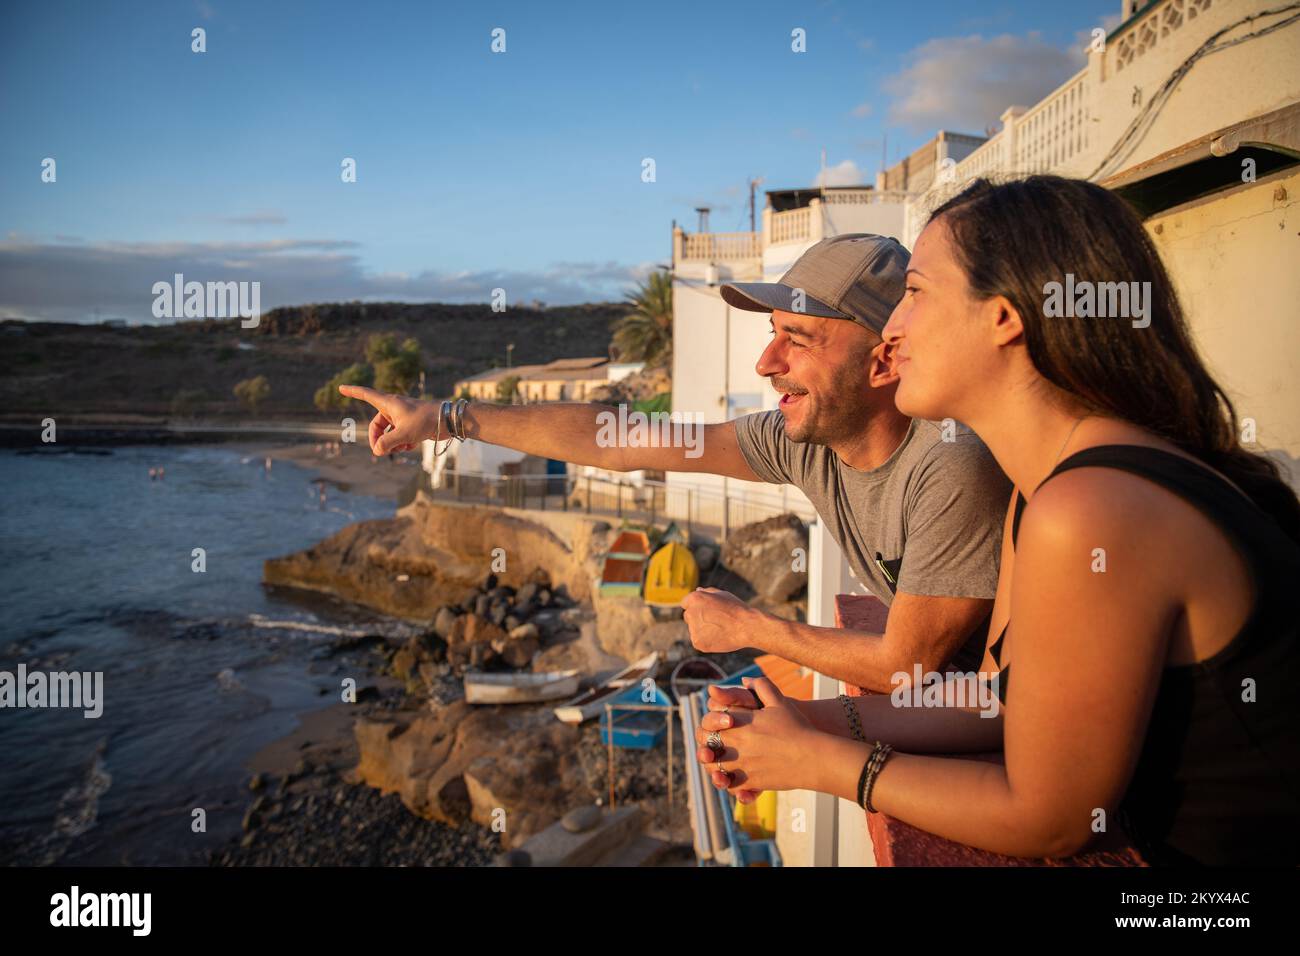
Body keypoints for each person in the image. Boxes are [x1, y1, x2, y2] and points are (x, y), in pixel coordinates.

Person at [695, 176, 1300, 865]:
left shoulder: (1091, 510)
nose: (891, 330)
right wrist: (806, 719)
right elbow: (996, 699)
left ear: (1003, 317)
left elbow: (1051, 822)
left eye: (916, 294)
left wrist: (821, 763)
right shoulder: (1048, 488)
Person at [339, 233, 1011, 695]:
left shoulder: (949, 463)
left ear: (884, 359)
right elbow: (620, 438)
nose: (766, 363)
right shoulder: (804, 440)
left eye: (796, 339)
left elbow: (906, 663)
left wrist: (750, 628)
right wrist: (447, 419)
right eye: (771, 334)